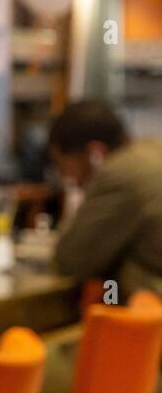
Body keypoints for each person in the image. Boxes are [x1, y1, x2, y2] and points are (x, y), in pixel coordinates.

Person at [49, 100, 162, 301]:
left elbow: (70, 261)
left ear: (95, 153)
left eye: (64, 167)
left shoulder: (121, 172)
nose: (69, 179)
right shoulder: (153, 151)